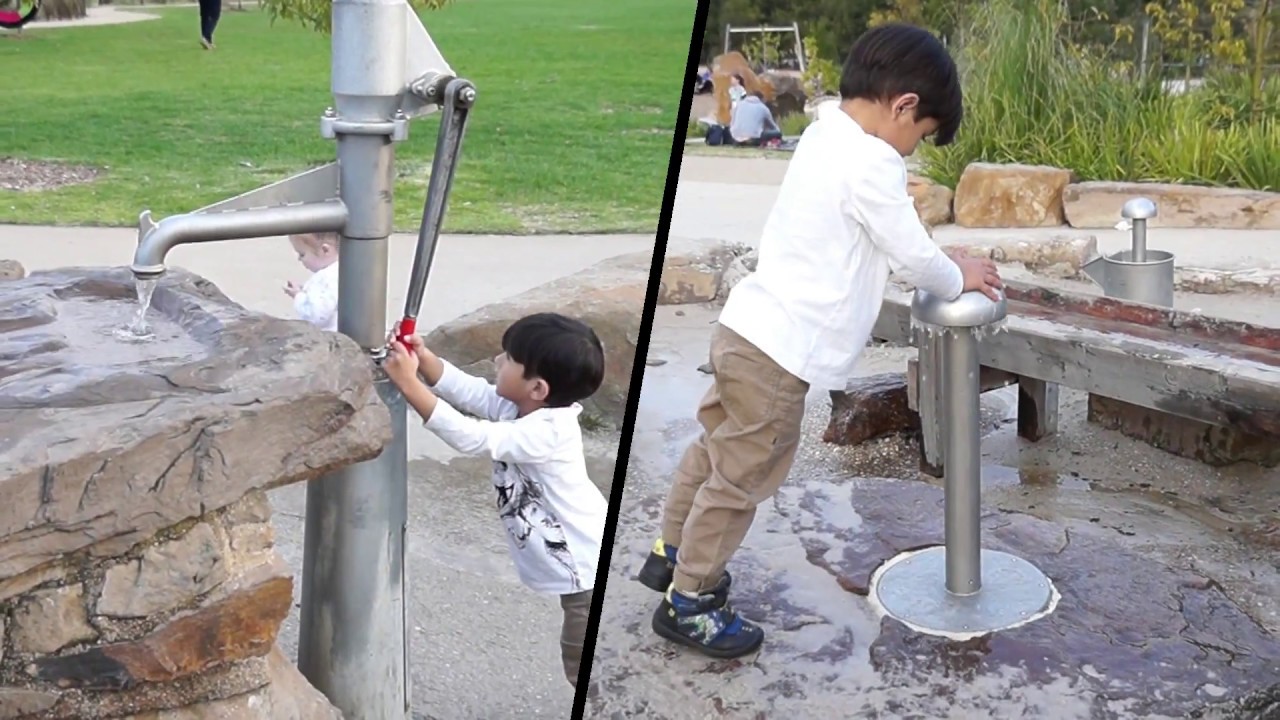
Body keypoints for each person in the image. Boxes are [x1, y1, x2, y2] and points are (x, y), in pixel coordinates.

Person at [636, 23, 1004, 660]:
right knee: (743, 479)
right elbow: (911, 252)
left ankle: (671, 554)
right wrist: (959, 273)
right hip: (780, 355)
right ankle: (690, 601)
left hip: (743, 329)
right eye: (919, 138)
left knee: (716, 449)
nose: (912, 152)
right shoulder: (873, 160)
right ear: (904, 107)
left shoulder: (823, 134)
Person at [383, 313, 608, 689]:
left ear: (537, 388)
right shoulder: (523, 407)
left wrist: (409, 384)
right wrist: (425, 360)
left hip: (585, 563)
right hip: (576, 559)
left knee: (580, 658)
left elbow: (470, 436)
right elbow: (472, 392)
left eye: (508, 358)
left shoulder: (548, 431)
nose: (497, 361)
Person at [284, 232, 339, 332]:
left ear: (325, 250)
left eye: (302, 254)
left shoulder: (324, 278)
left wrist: (298, 296)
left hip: (329, 338)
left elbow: (316, 316)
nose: (299, 259)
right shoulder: (345, 270)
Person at [705, 91, 782, 147]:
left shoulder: (739, 105)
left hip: (735, 138)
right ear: (761, 99)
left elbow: (732, 123)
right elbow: (774, 127)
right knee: (777, 133)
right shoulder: (763, 108)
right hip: (753, 138)